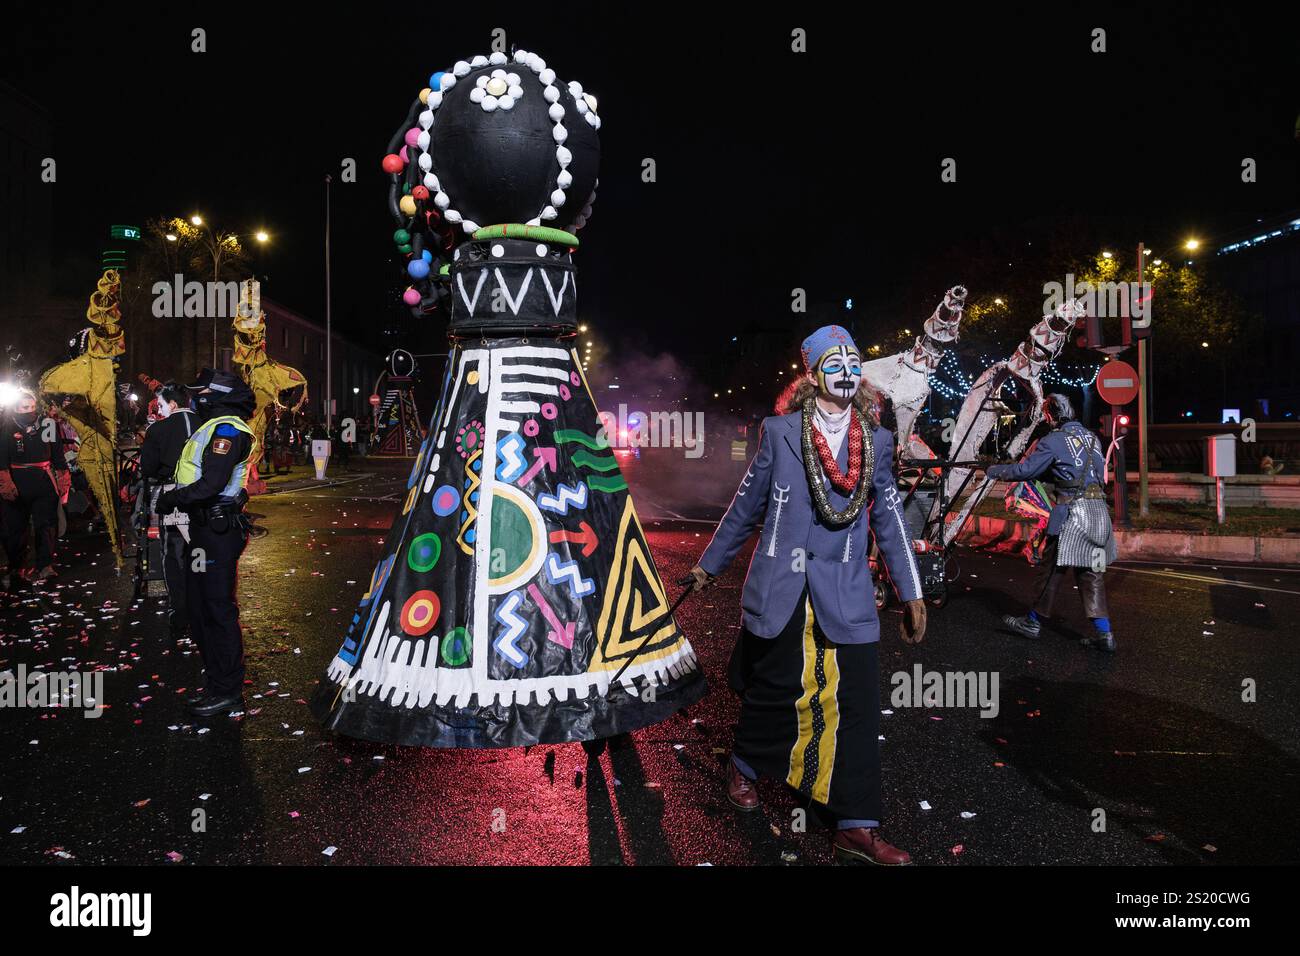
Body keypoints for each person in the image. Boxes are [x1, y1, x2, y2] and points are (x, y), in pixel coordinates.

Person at [688, 325, 927, 865]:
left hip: (846, 592)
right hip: (783, 587)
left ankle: (856, 825)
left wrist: (910, 591)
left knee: (859, 705)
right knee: (775, 691)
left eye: (853, 362)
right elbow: (747, 507)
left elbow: (888, 517)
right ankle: (745, 765)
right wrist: (709, 565)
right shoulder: (780, 433)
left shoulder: (879, 440)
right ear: (814, 374)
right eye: (833, 362)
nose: (845, 371)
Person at [156, 369, 257, 717]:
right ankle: (216, 683)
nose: (196, 398)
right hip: (203, 532)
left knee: (216, 609)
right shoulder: (213, 426)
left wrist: (172, 499)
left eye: (202, 393)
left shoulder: (227, 430)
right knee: (199, 610)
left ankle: (228, 691)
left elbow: (212, 482)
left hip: (216, 533)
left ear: (217, 395)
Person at [987, 393, 1118, 652]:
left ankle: (1032, 622)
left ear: (1050, 415)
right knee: (1091, 574)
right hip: (1099, 513)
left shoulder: (1054, 440)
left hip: (1072, 514)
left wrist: (994, 471)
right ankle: (1105, 635)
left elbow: (1025, 471)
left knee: (1051, 571)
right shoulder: (1092, 439)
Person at [138, 382, 198, 638]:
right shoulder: (205, 424)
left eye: (161, 405)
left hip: (171, 495)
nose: (159, 411)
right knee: (200, 554)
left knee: (173, 555)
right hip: (202, 494)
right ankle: (201, 609)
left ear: (172, 404)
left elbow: (148, 468)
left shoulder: (158, 429)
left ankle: (179, 612)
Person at [0, 389, 71, 589]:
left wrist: (63, 477)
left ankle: (45, 565)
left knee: (47, 525)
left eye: (32, 407)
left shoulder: (48, 425)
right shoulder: (6, 427)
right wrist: (5, 481)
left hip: (43, 483)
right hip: (17, 484)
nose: (29, 411)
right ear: (15, 409)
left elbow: (57, 455)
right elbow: (1, 459)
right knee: (15, 529)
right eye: (24, 408)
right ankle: (16, 567)